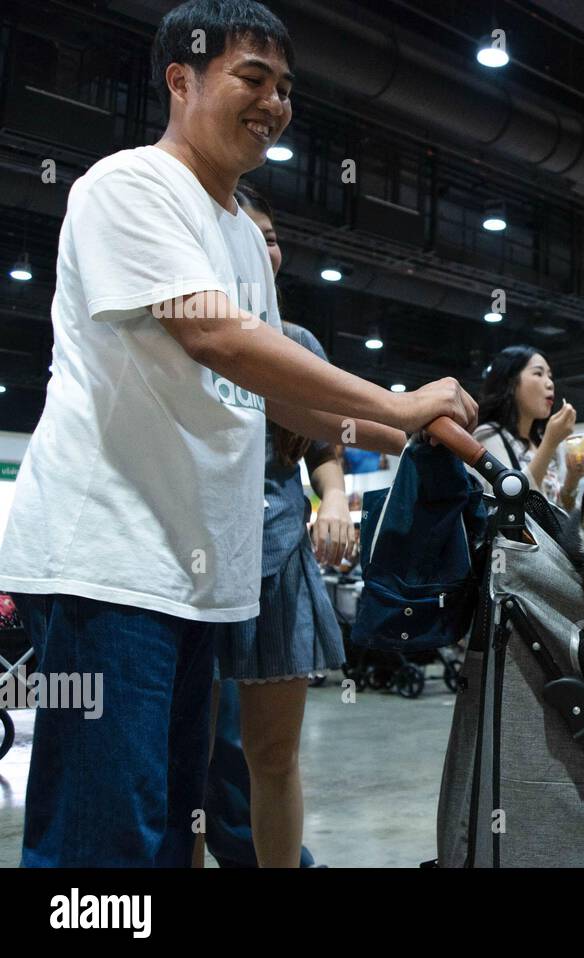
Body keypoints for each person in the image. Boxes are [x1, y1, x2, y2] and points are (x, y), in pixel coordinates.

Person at [0, 0, 476, 867]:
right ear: (181, 80)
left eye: (287, 88)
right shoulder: (129, 186)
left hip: (191, 580)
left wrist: (412, 436)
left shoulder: (244, 243)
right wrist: (399, 399)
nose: (275, 103)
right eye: (252, 79)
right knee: (102, 838)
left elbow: (280, 403)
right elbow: (216, 337)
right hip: (104, 569)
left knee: (173, 818)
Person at [198, 183, 408, 868]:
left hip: (279, 553)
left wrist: (339, 501)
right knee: (189, 762)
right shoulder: (194, 331)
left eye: (274, 236)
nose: (267, 247)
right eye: (250, 234)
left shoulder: (295, 342)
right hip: (195, 560)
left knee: (274, 756)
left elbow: (325, 447)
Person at [471, 345, 584, 510]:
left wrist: (572, 480)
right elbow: (513, 504)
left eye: (550, 376)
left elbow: (555, 514)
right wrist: (550, 443)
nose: (550, 383)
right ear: (511, 382)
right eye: (538, 373)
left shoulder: (541, 442)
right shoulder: (488, 436)